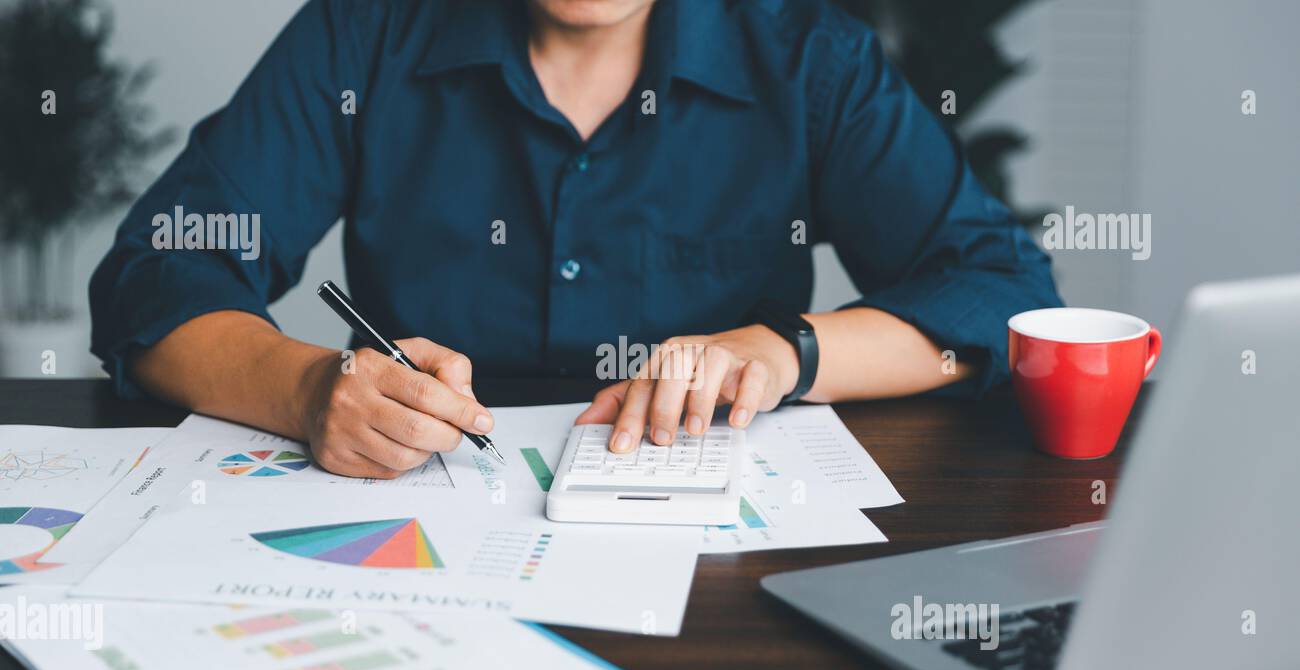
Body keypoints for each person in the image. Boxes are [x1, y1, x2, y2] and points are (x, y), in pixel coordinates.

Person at [89, 0, 1061, 479]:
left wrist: (782, 350)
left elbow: (999, 287)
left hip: (712, 546)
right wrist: (305, 388)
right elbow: (157, 270)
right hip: (418, 522)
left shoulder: (806, 52)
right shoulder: (365, 32)